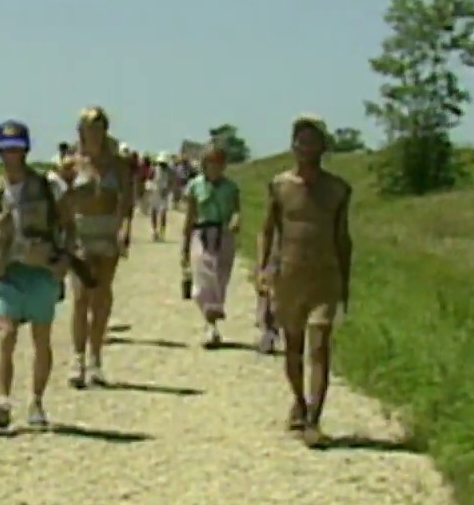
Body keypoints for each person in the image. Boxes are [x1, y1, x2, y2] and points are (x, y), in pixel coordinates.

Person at [256, 114, 353, 448]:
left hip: (325, 277)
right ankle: (299, 400)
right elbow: (268, 230)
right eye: (300, 140)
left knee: (320, 342)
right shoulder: (280, 186)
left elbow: (343, 238)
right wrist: (263, 270)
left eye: (312, 140)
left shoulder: (338, 190)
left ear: (323, 146)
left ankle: (314, 417)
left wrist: (346, 282)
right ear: (293, 145)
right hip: (289, 277)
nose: (305, 146)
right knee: (293, 346)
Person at [0, 121, 73, 430]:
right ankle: (2, 400)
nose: (10, 155)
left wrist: (63, 262)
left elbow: (69, 226)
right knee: (5, 335)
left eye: (16, 148)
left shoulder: (48, 187)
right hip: (7, 272)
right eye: (5, 149)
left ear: (26, 149)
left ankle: (36, 401)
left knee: (41, 339)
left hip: (41, 270)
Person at [63, 106, 133, 388]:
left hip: (106, 232)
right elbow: (60, 201)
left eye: (99, 127)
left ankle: (95, 358)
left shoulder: (117, 166)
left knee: (101, 296)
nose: (95, 133)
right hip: (81, 232)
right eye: (90, 128)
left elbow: (126, 201)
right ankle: (77, 357)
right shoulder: (71, 165)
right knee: (81, 297)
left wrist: (125, 228)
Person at [180, 146, 242, 347]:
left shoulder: (231, 188)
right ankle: (210, 321)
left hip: (223, 235)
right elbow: (190, 217)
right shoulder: (194, 186)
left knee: (220, 279)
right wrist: (185, 246)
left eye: (218, 163)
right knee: (202, 281)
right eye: (210, 163)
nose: (214, 168)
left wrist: (235, 220)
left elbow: (236, 211)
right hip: (202, 235)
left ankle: (212, 321)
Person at [148, 153, 173, 241]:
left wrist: (167, 190)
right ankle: (154, 231)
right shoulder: (154, 169)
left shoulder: (169, 171)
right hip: (155, 192)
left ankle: (162, 233)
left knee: (163, 214)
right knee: (153, 212)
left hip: (164, 193)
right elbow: (149, 179)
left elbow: (171, 182)